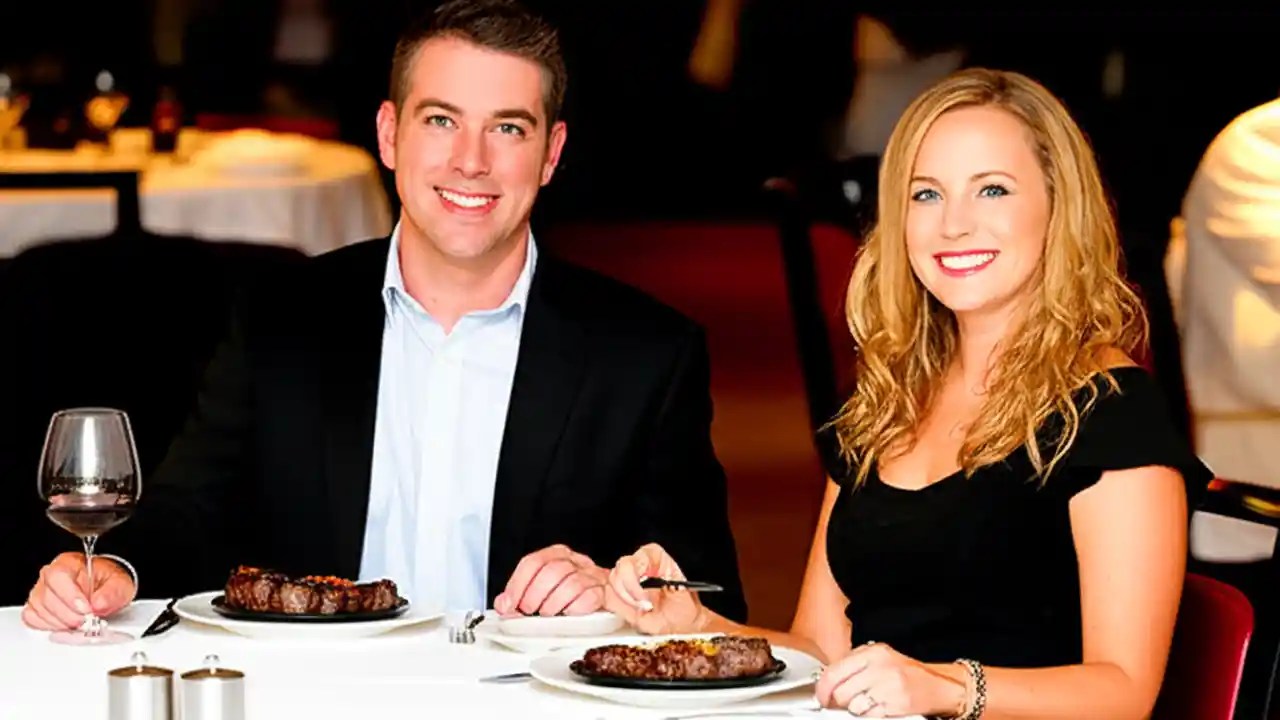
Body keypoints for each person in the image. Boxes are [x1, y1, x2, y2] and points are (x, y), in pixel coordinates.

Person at [21, 0, 746, 633]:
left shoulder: (646, 354)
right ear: (390, 134)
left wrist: (618, 593)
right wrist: (111, 570)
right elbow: (189, 510)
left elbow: (709, 598)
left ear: (551, 154)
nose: (471, 161)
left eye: (509, 129)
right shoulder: (284, 315)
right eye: (442, 121)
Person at [605, 68, 1210, 719]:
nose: (954, 224)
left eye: (993, 190)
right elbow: (820, 650)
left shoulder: (1109, 411)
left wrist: (943, 687)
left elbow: (1124, 692)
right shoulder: (883, 402)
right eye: (927, 195)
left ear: (1058, 206)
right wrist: (695, 622)